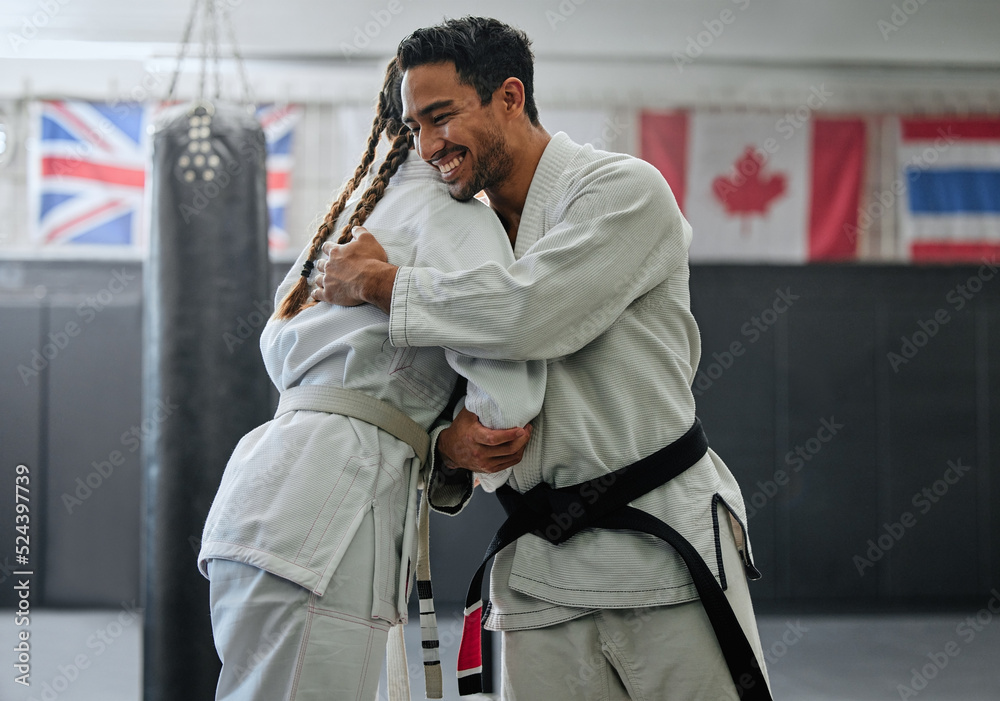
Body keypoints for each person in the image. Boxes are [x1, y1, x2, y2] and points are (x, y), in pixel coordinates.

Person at [312, 16, 773, 701]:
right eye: (415, 128)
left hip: (661, 551)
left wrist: (380, 283)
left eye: (442, 116)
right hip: (538, 575)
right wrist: (446, 448)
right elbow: (421, 390)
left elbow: (530, 313)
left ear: (509, 96)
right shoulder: (458, 236)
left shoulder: (622, 191)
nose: (430, 145)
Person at [197, 58, 545, 700]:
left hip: (259, 503)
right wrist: (454, 446)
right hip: (332, 519)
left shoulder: (349, 214)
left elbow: (278, 347)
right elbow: (510, 395)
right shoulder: (455, 218)